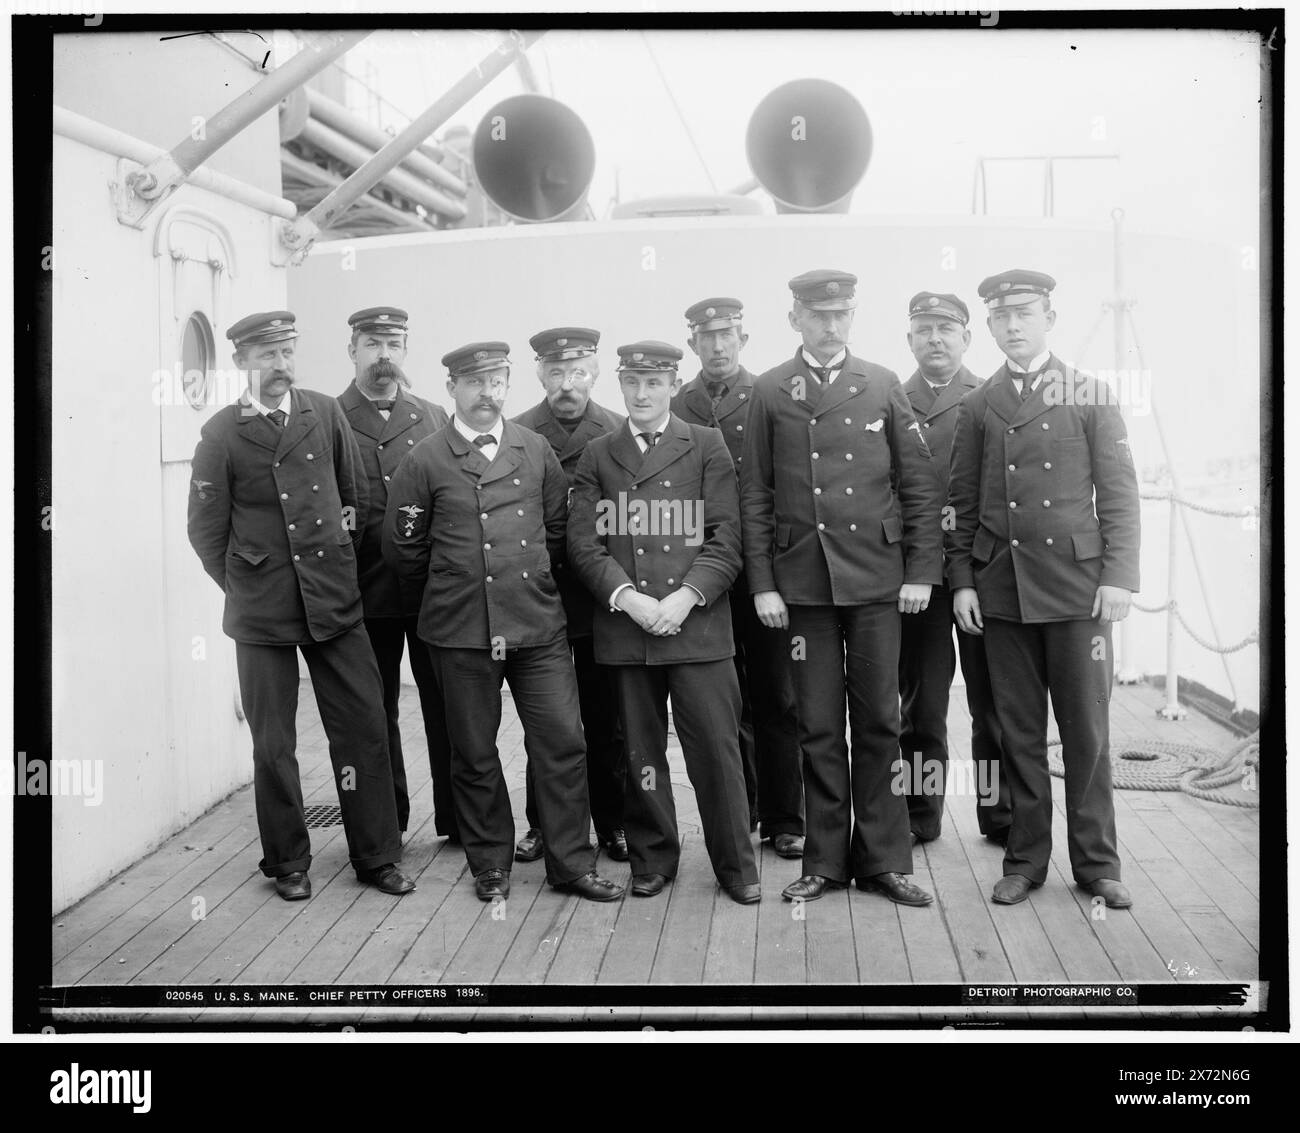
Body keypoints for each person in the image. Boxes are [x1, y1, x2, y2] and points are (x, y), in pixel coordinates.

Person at [382, 341, 623, 904]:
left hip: (537, 626)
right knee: (474, 750)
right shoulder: (425, 458)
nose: (486, 395)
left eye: (495, 383)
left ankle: (570, 864)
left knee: (563, 743)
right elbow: (403, 550)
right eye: (474, 384)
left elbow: (561, 535)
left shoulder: (534, 449)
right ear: (452, 391)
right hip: (461, 631)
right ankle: (490, 862)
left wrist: (532, 583)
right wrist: (456, 589)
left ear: (508, 385)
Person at [187, 311, 414, 901]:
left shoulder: (325, 411)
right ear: (240, 362)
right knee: (273, 743)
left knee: (363, 726)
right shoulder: (221, 433)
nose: (281, 366)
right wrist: (247, 581)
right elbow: (206, 531)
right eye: (267, 356)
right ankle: (288, 862)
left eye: (288, 353)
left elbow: (354, 497)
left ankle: (377, 855)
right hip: (261, 612)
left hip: (334, 599)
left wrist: (334, 562)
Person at [740, 271, 943, 906]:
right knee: (818, 723)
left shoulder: (881, 384)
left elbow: (919, 485)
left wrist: (919, 572)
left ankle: (884, 858)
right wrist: (763, 584)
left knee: (881, 719)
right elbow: (756, 494)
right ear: (795, 317)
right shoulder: (770, 390)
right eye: (819, 315)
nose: (832, 326)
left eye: (842, 314)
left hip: (878, 581)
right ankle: (825, 861)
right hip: (804, 585)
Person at [947, 269, 1140, 909]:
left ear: (1050, 318)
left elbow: (1118, 495)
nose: (1012, 326)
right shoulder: (979, 404)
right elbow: (963, 503)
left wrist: (1117, 578)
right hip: (1004, 594)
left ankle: (1096, 864)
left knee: (1086, 731)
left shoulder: (1090, 393)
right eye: (1001, 317)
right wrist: (963, 584)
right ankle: (1025, 858)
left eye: (1024, 314)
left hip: (1079, 593)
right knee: (1016, 733)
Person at [568, 341, 760, 904]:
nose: (643, 394)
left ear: (674, 386)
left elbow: (728, 537)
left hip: (696, 628)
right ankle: (652, 860)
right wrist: (629, 598)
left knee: (717, 752)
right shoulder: (598, 455)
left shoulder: (706, 445)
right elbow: (583, 544)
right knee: (639, 752)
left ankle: (736, 866)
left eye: (654, 383)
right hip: (628, 629)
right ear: (620, 387)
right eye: (632, 383)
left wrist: (684, 598)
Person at [673, 298, 804, 860]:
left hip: (762, 573)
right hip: (700, 575)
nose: (718, 347)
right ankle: (742, 809)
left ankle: (785, 818)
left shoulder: (770, 395)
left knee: (777, 697)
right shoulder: (677, 404)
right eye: (707, 338)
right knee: (725, 702)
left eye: (727, 336)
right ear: (693, 345)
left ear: (744, 338)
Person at [337, 306, 458, 842]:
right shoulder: (330, 417)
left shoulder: (434, 416)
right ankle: (388, 827)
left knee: (447, 706)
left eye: (392, 344)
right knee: (373, 715)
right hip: (363, 593)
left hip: (429, 592)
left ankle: (458, 821)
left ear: (405, 351)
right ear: (352, 351)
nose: (383, 355)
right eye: (371, 344)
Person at [897, 292, 1013, 845]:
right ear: (910, 338)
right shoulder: (890, 397)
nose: (934, 339)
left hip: (980, 575)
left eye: (946, 328)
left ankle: (1000, 816)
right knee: (921, 706)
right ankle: (920, 815)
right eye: (923, 329)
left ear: (967, 338)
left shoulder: (990, 397)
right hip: (917, 578)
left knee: (992, 705)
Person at [511, 327, 627, 865]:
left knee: (607, 720)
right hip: (543, 602)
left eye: (577, 371)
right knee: (549, 721)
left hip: (602, 602)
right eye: (555, 372)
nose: (566, 384)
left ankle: (614, 822)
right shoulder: (519, 435)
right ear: (541, 375)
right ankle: (544, 823)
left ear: (594, 373)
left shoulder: (618, 433)